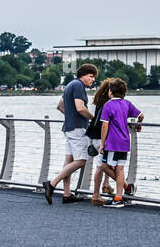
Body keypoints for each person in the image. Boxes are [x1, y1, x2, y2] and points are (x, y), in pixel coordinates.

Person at [42, 64, 97, 204]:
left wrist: (70, 116)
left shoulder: (70, 85)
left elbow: (60, 106)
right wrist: (94, 120)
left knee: (69, 160)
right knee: (81, 160)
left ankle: (67, 194)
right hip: (78, 129)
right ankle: (52, 184)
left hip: (68, 128)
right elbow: (80, 108)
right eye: (91, 76)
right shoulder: (78, 86)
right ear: (82, 75)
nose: (93, 79)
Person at [93, 78, 143, 208]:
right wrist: (139, 126)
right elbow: (141, 115)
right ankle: (119, 197)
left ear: (110, 91)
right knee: (120, 169)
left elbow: (105, 126)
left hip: (113, 143)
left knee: (104, 166)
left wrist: (102, 144)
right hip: (125, 142)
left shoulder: (108, 105)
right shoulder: (127, 104)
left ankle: (121, 194)